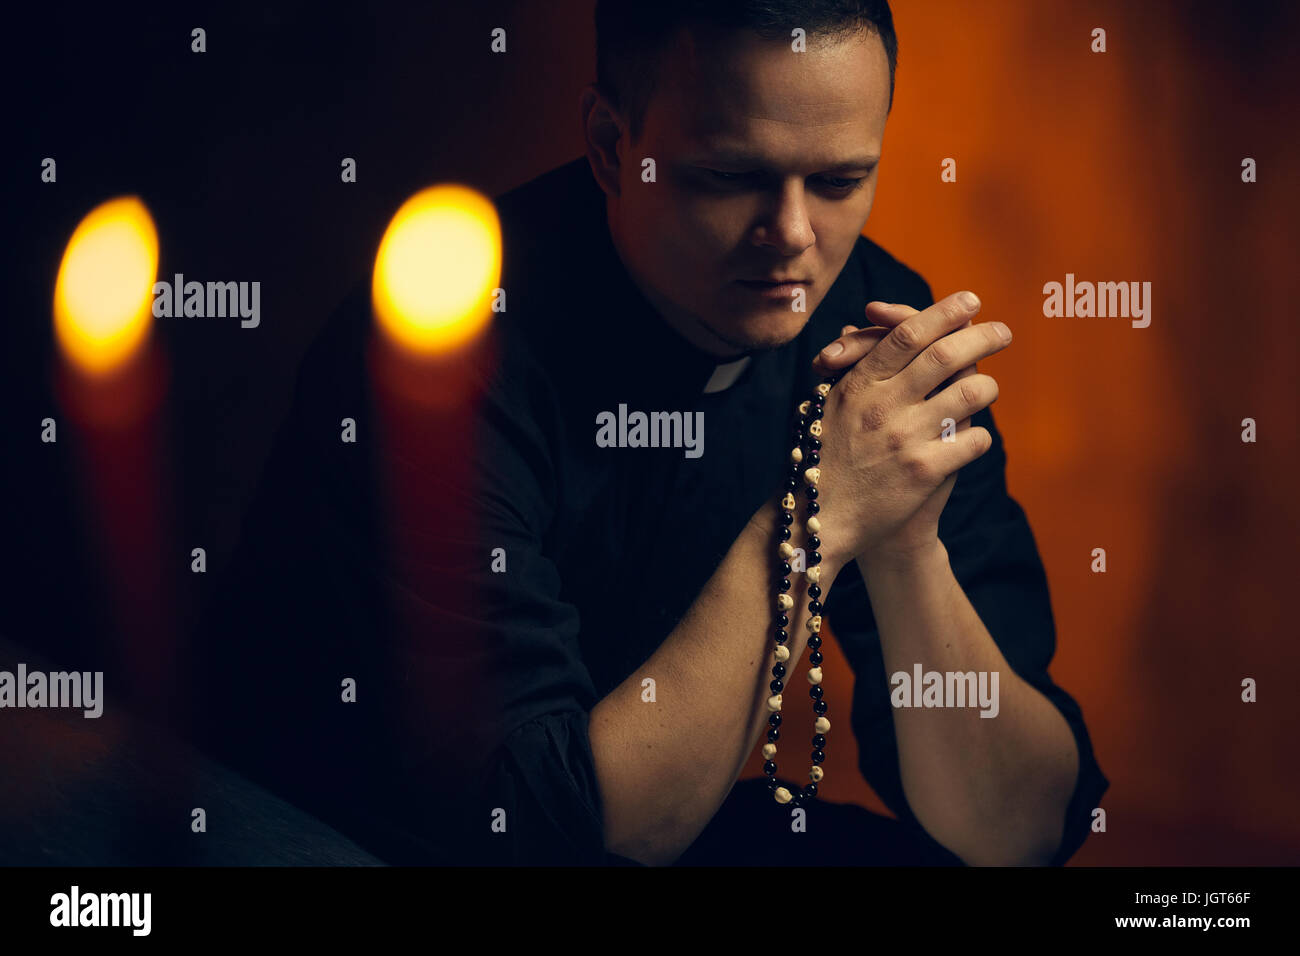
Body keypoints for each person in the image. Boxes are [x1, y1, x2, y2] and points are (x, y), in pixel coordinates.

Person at [188, 0, 1108, 867]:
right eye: (727, 177)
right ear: (609, 146)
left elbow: (1019, 834)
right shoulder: (440, 347)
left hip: (649, 818)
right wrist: (816, 513)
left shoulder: (884, 351)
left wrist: (906, 546)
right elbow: (552, 835)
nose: (791, 237)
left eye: (838, 180)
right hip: (330, 831)